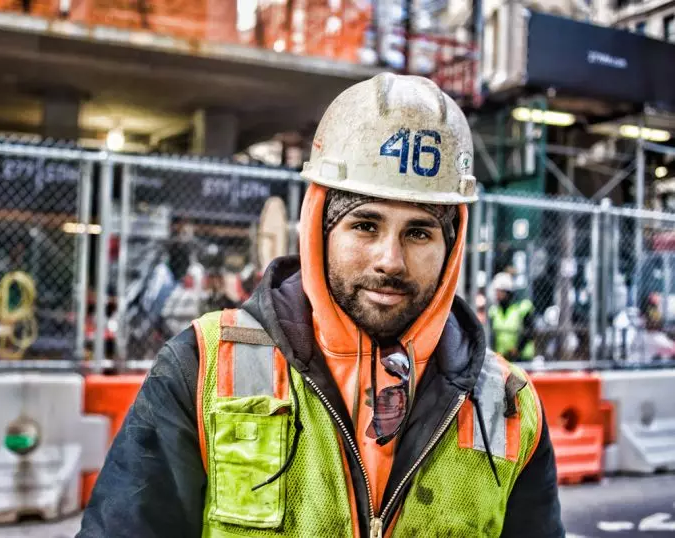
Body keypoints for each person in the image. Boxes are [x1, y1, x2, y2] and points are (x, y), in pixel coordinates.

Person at [78, 73, 563, 538]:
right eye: (365, 225)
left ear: (451, 247)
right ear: (319, 230)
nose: (389, 260)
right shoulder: (202, 367)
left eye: (419, 232)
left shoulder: (509, 408)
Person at [489, 272, 536, 362]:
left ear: (507, 292)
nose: (497, 294)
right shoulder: (494, 310)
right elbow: (493, 335)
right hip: (502, 357)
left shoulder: (522, 307)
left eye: (499, 291)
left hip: (522, 358)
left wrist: (517, 349)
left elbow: (529, 332)